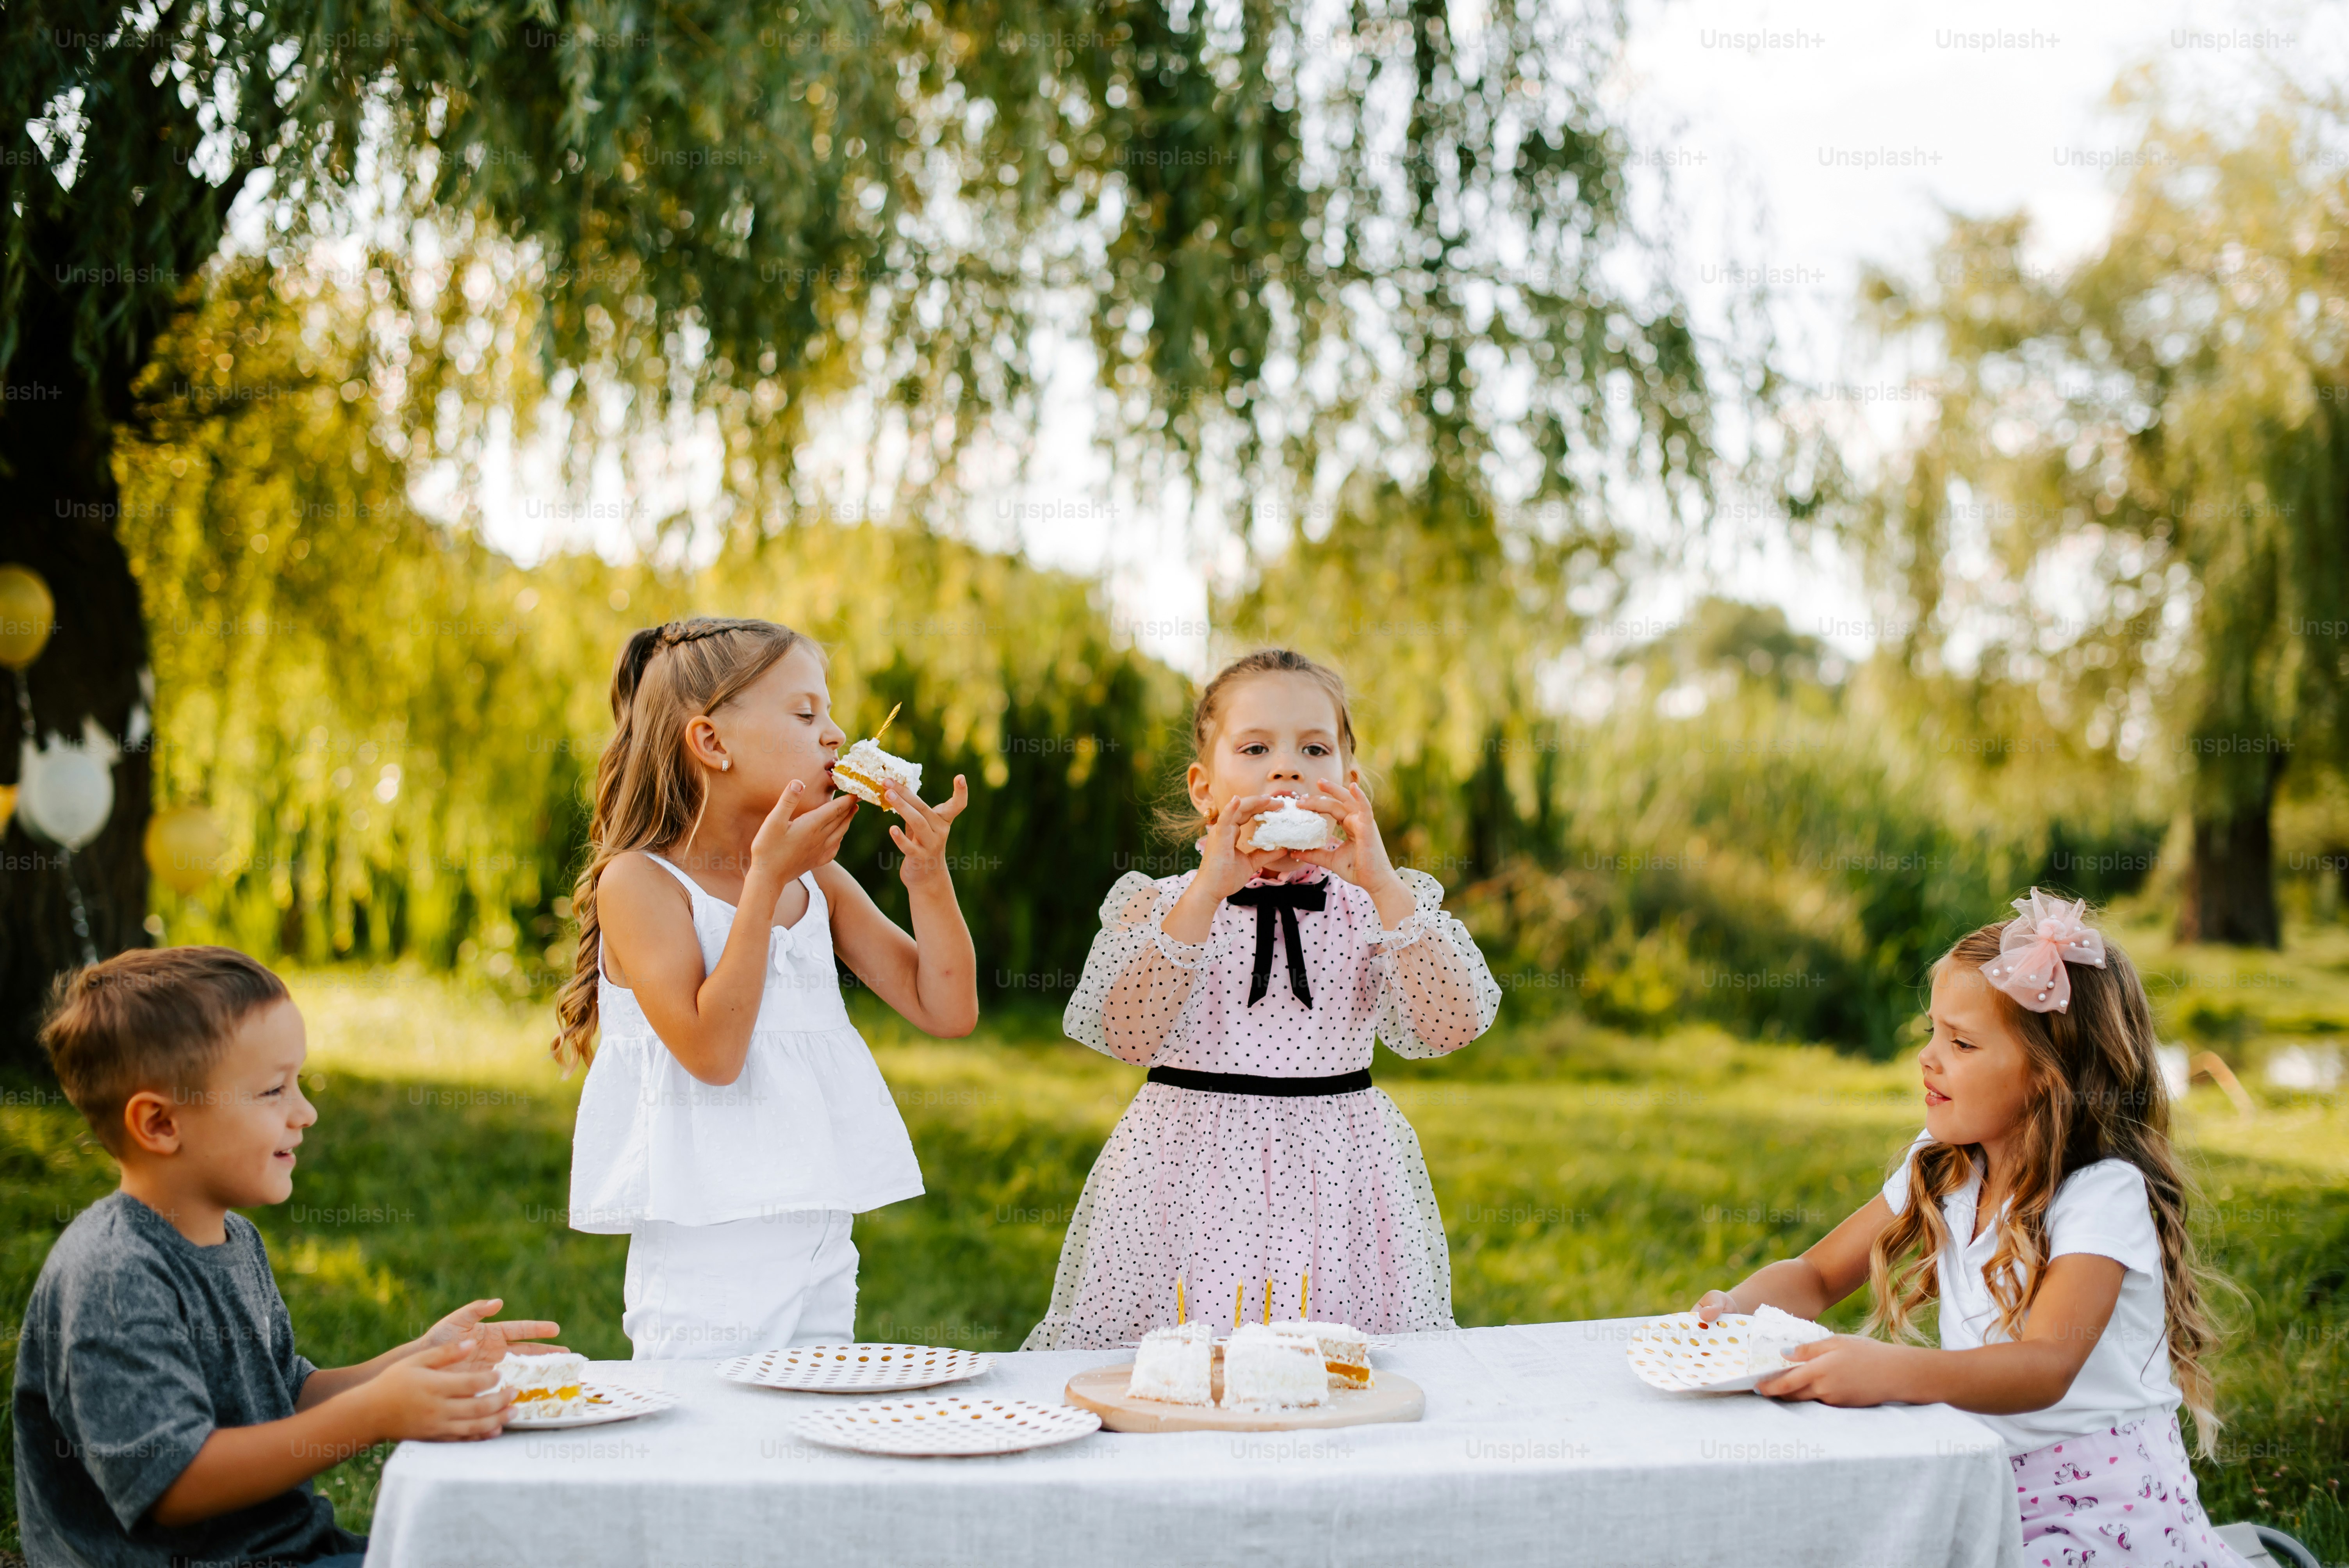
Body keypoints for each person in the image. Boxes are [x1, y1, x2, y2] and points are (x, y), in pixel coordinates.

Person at [1692, 890, 2251, 1568]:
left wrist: (1896, 1372)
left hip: (2107, 1506)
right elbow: (1814, 1276)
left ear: (2049, 1079)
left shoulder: (2100, 1194)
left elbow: (2046, 1367)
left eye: (1960, 1042)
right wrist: (1739, 1310)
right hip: (1984, 1477)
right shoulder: (1945, 1166)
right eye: (1932, 1031)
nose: (1928, 1057)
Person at [16, 945, 561, 1568]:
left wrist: (421, 1359)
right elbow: (175, 1485)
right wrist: (374, 1415)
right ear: (161, 1125)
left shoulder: (234, 1240)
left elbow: (288, 1396)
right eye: (274, 1090)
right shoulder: (115, 1277)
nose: (306, 1112)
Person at [1023, 648, 1501, 1349]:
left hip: (1339, 1173)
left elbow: (1453, 1023)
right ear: (1203, 790)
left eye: (1314, 748)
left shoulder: (1374, 907)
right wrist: (1207, 891)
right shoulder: (1162, 907)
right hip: (1188, 1172)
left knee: (1332, 1371)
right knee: (1184, 1371)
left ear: (1351, 784)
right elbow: (1126, 1033)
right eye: (1255, 748)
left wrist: (1383, 883)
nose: (1287, 768)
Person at [557, 616, 976, 1358]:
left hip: (820, 1238)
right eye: (805, 713)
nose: (836, 735)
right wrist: (766, 879)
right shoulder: (642, 884)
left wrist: (929, 880)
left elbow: (946, 1008)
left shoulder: (819, 882)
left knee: (808, 1437)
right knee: (711, 1450)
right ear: (712, 744)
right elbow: (713, 1053)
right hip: (705, 1253)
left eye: (830, 713)